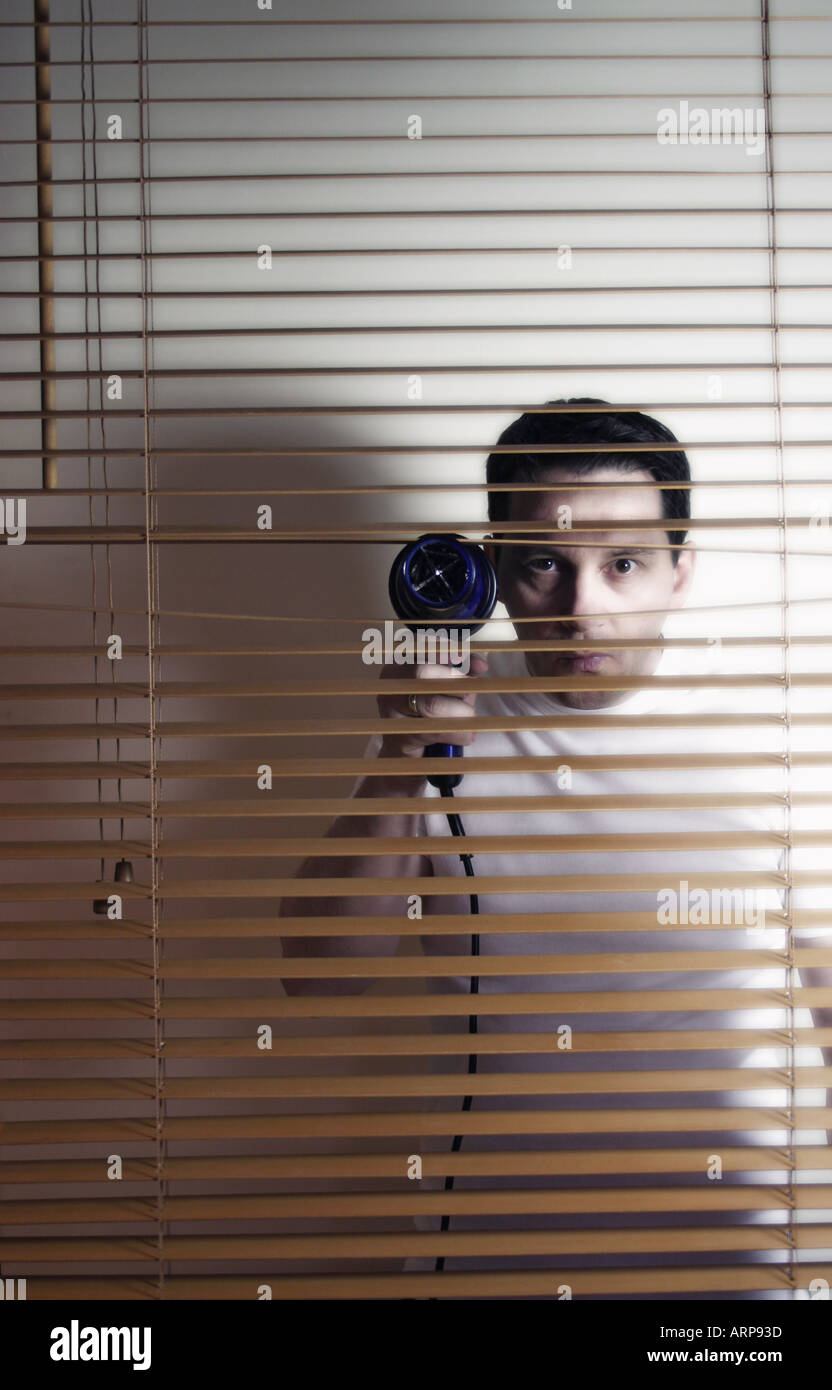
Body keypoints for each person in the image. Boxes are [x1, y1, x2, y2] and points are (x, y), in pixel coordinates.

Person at [280, 399, 831, 1300]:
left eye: (624, 564)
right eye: (545, 564)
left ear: (680, 571)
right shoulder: (436, 721)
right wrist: (396, 769)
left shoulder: (774, 737)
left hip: (726, 1277)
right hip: (484, 1262)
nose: (585, 609)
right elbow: (320, 974)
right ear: (493, 571)